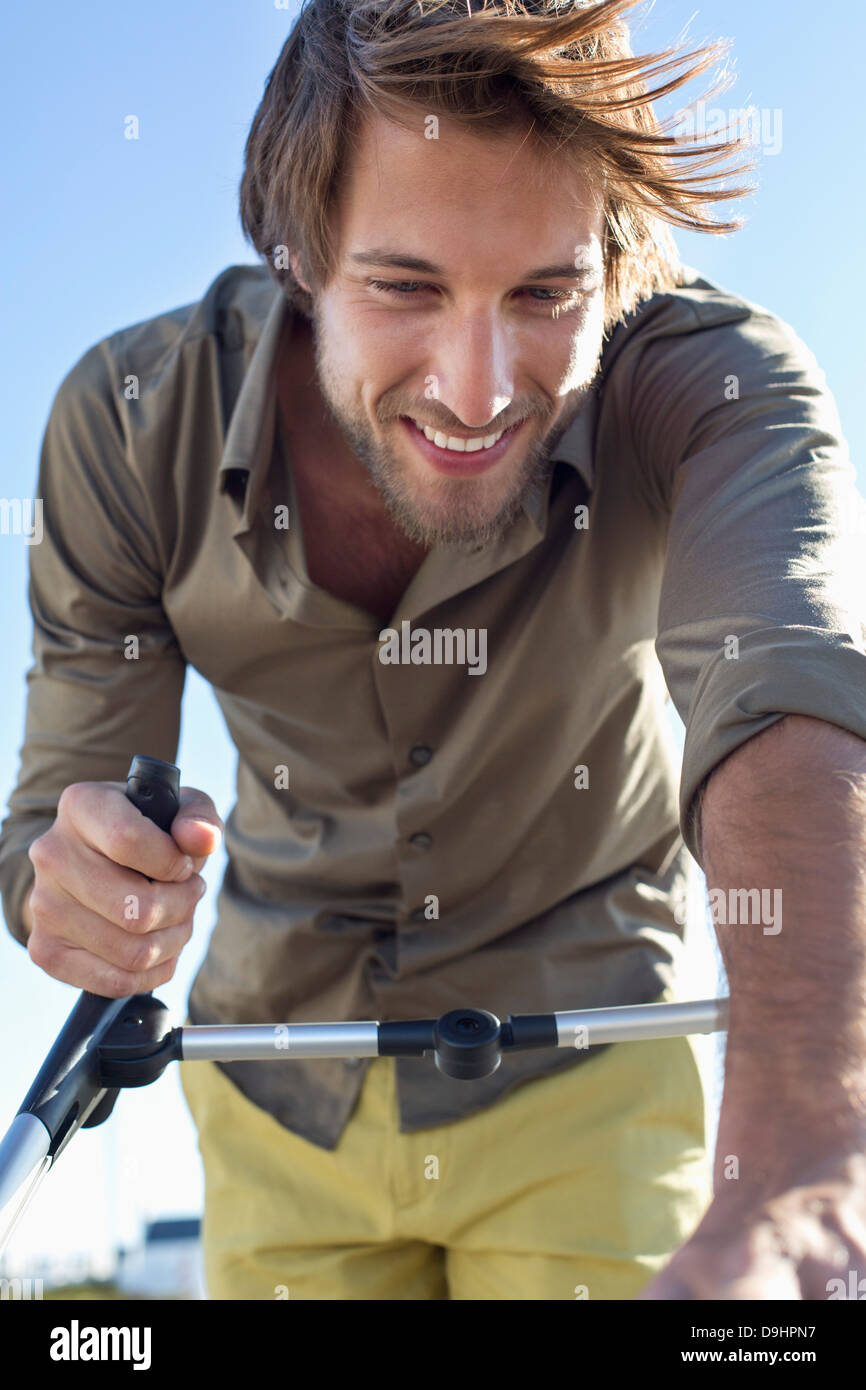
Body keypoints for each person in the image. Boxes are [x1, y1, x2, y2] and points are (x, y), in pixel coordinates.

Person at [2, 0, 866, 1301]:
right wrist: (78, 889)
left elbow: (785, 690)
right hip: (275, 1078)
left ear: (618, 258)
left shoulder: (714, 387)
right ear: (297, 250)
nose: (477, 388)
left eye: (546, 292)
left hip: (594, 1063)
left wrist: (807, 1145)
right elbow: (40, 835)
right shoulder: (125, 427)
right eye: (405, 286)